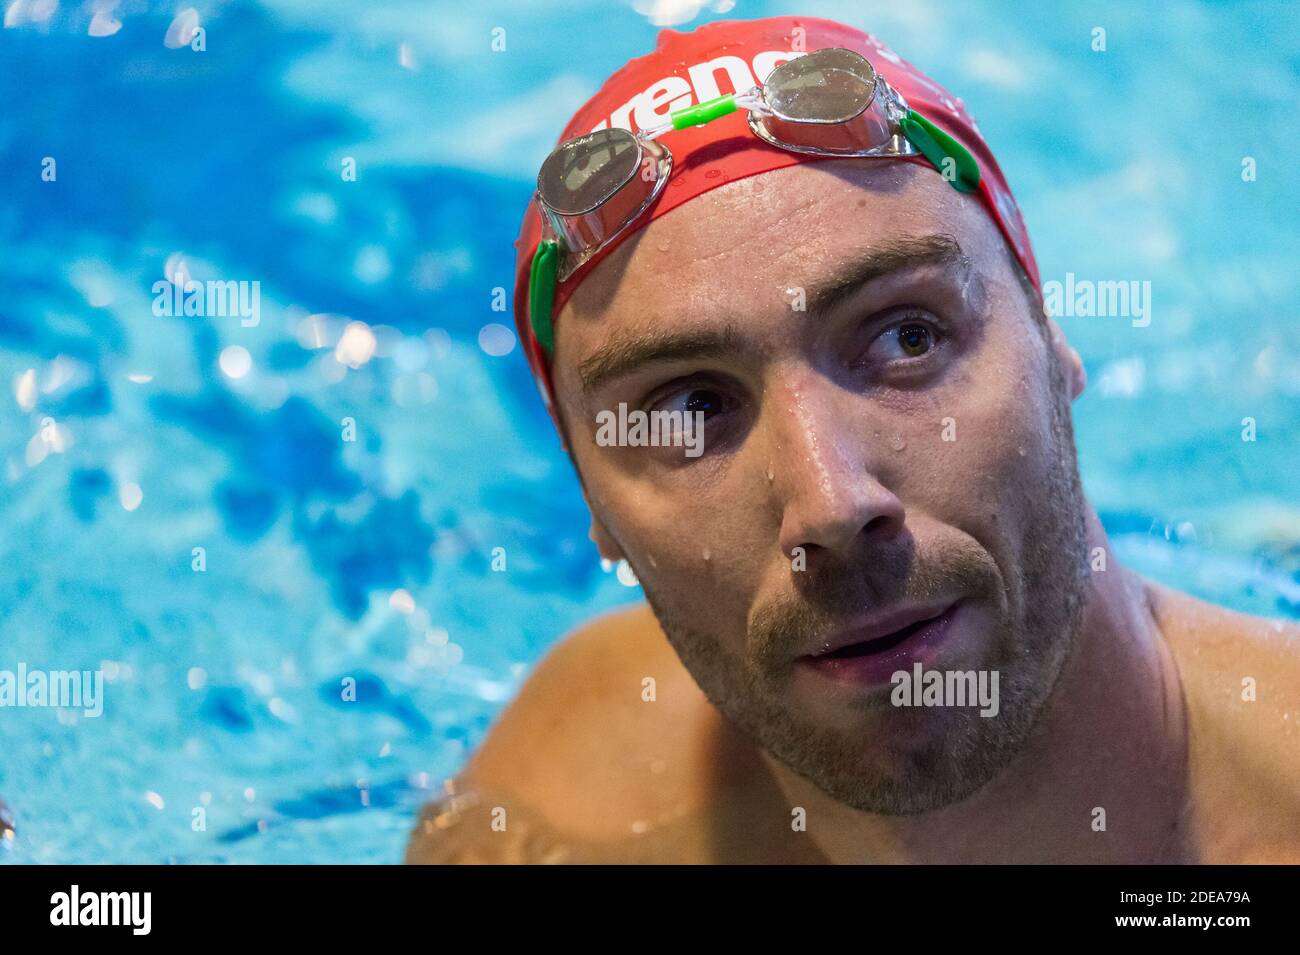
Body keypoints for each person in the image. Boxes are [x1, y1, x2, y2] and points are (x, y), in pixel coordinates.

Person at [406, 16, 1300, 864]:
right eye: (690, 411)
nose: (832, 504)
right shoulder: (568, 789)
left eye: (908, 337)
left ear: (1052, 339)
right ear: (593, 505)